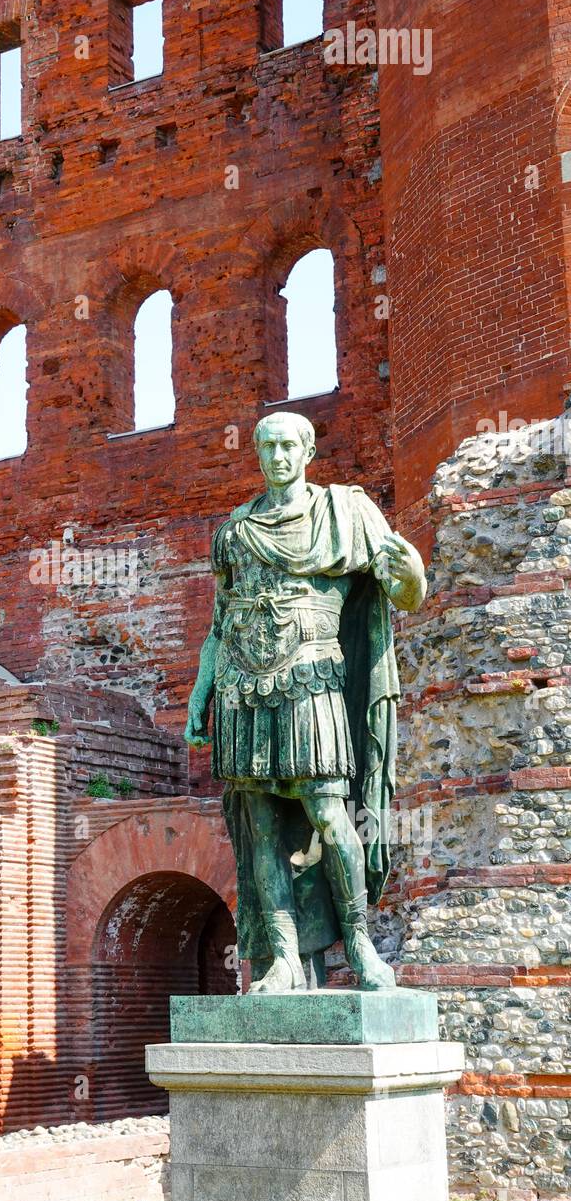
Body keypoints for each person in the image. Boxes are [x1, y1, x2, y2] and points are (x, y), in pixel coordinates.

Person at [185, 411, 427, 992]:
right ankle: (285, 959)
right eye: (266, 446)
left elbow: (403, 594)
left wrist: (415, 574)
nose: (277, 456)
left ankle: (361, 943)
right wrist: (201, 693)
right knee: (261, 825)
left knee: (329, 812)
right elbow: (221, 625)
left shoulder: (345, 514)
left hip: (313, 680)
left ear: (309, 450)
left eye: (288, 445)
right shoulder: (234, 532)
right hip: (243, 690)